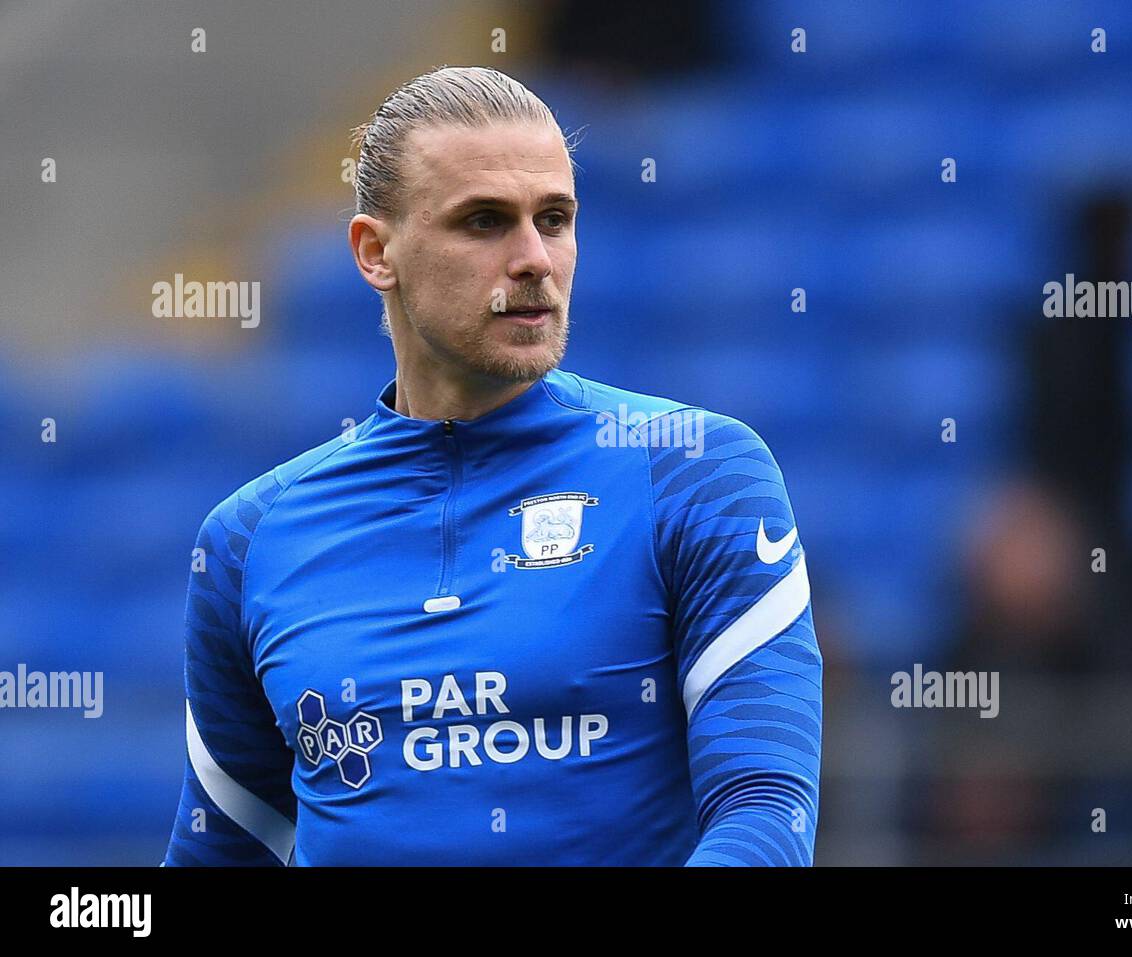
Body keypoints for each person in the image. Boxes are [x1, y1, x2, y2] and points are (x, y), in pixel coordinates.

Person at [162, 66, 821, 865]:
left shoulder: (695, 471)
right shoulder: (247, 540)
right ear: (375, 252)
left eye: (555, 219)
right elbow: (219, 851)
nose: (535, 259)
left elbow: (766, 811)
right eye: (485, 222)